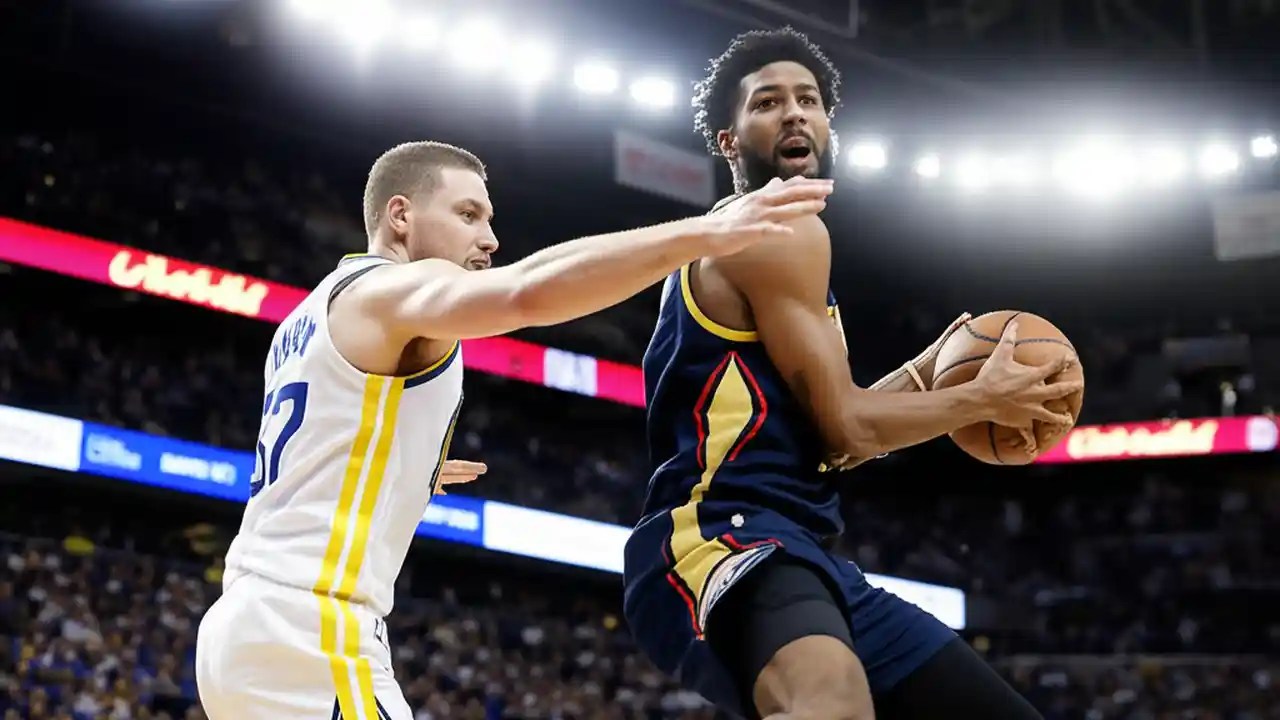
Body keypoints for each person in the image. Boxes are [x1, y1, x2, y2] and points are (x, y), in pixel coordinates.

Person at [194, 140, 834, 720]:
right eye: (469, 215)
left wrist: (403, 464)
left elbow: (318, 440)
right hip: (311, 626)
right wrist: (706, 233)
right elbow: (527, 292)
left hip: (241, 626)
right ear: (400, 217)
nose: (491, 238)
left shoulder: (311, 312)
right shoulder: (390, 291)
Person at [622, 28, 1082, 720]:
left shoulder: (777, 248)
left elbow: (834, 442)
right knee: (830, 705)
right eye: (769, 102)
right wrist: (980, 395)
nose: (795, 113)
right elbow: (850, 424)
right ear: (727, 140)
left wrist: (928, 374)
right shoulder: (773, 235)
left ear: (830, 126)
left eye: (808, 100)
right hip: (722, 535)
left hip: (798, 548)